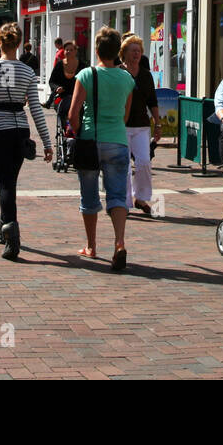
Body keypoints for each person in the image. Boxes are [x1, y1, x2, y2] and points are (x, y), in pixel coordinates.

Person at [0, 22, 53, 260]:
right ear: (19, 44)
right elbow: (37, 110)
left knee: (4, 184)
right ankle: (4, 224)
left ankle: (11, 231)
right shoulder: (28, 72)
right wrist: (47, 142)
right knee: (11, 181)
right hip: (20, 129)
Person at [67, 27, 133, 272]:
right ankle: (119, 242)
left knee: (89, 196)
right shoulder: (127, 78)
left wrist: (78, 131)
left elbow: (74, 114)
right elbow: (125, 115)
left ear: (96, 50)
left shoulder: (86, 75)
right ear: (118, 52)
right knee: (117, 196)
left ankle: (92, 245)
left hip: (90, 141)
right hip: (117, 141)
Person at [119, 34, 161, 216]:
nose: (136, 54)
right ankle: (124, 202)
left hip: (142, 125)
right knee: (124, 166)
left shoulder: (146, 76)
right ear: (124, 53)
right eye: (132, 50)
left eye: (138, 51)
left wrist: (158, 124)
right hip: (121, 125)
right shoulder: (118, 73)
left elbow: (152, 100)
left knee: (144, 162)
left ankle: (141, 198)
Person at [47, 41, 81, 128]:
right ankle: (66, 129)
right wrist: (57, 88)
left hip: (78, 98)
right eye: (66, 50)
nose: (68, 52)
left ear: (76, 51)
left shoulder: (82, 65)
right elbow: (52, 81)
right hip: (62, 97)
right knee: (63, 108)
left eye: (71, 50)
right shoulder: (59, 65)